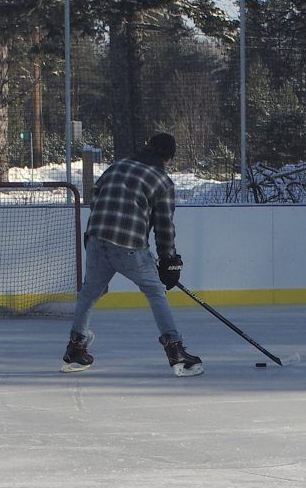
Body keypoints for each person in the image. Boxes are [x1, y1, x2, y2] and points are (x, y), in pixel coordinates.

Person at [62, 132, 201, 377]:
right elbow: (164, 226)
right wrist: (169, 260)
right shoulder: (162, 181)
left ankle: (76, 347)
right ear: (168, 158)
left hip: (96, 238)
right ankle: (175, 349)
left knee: (90, 292)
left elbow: (97, 197)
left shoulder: (118, 166)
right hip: (129, 245)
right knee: (156, 292)